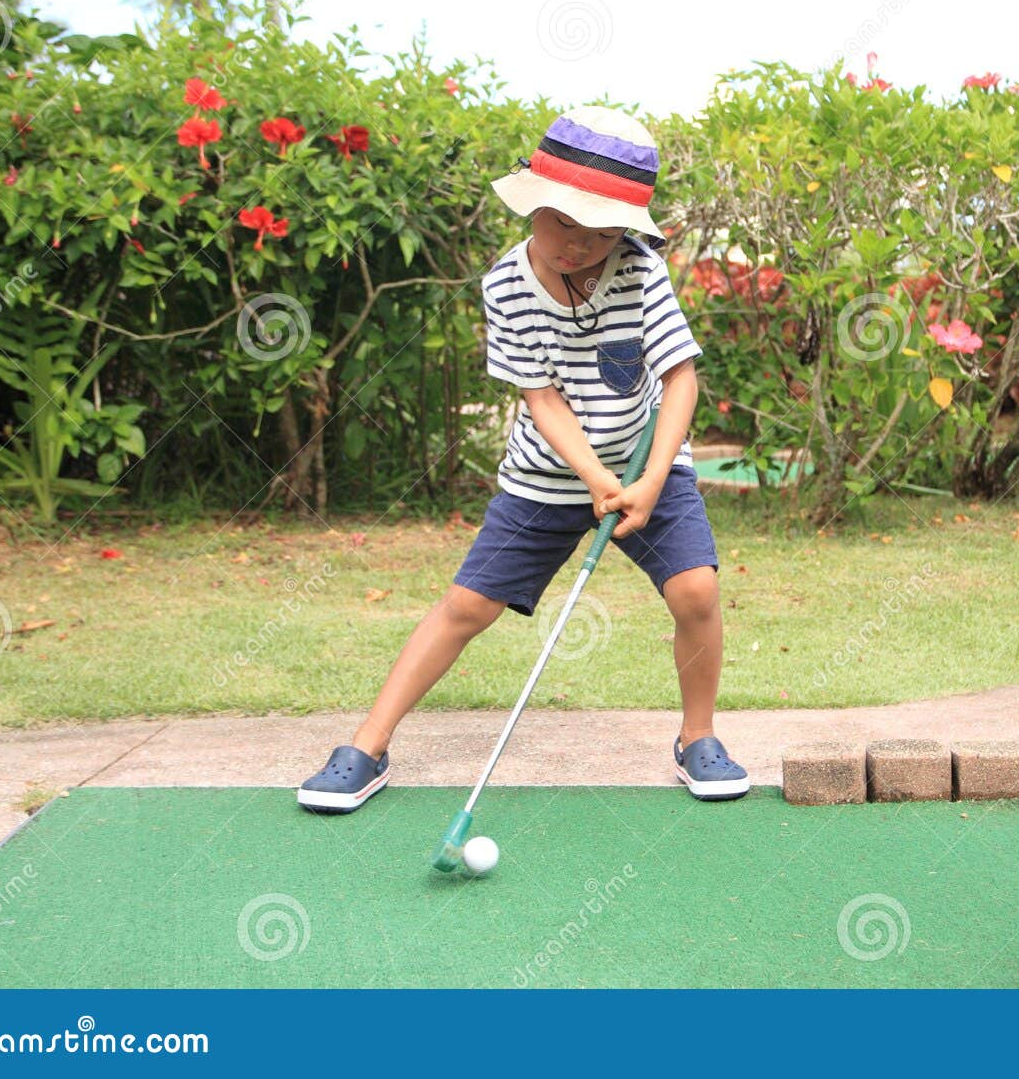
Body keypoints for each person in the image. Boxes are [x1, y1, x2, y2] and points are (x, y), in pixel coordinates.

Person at [297, 105, 749, 813]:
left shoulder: (640, 271)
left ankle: (699, 738)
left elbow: (679, 377)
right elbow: (542, 399)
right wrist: (593, 479)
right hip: (546, 474)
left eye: (600, 232)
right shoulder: (505, 284)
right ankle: (367, 743)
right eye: (564, 222)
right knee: (466, 605)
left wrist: (651, 479)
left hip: (645, 466)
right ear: (533, 203)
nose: (578, 245)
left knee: (696, 592)